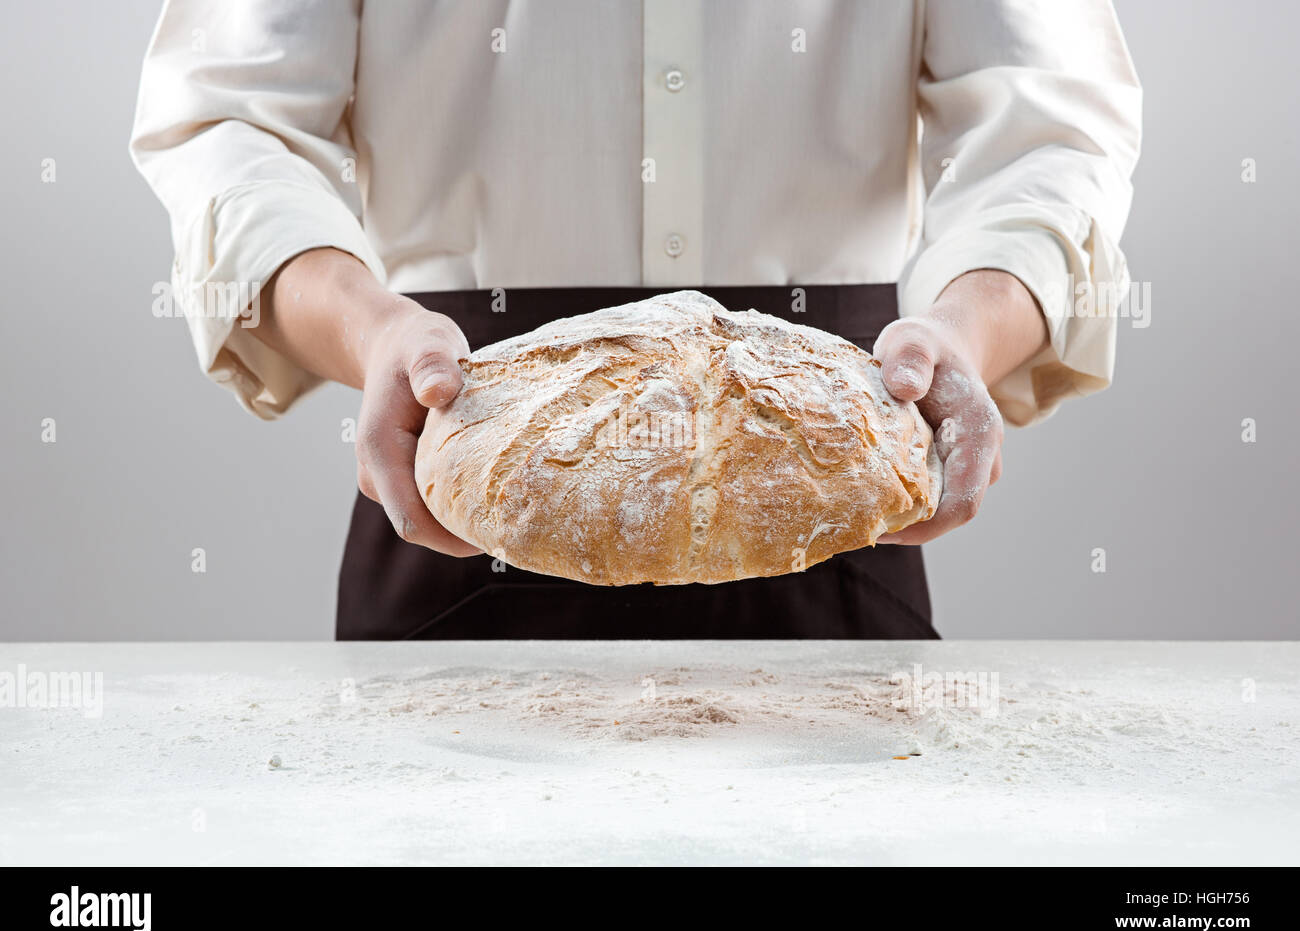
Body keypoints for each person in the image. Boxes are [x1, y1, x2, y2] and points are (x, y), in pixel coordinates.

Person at [130, 1, 1141, 640]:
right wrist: (369, 329)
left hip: (828, 446)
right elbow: (231, 120)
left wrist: (965, 329)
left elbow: (1048, 129)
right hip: (471, 443)